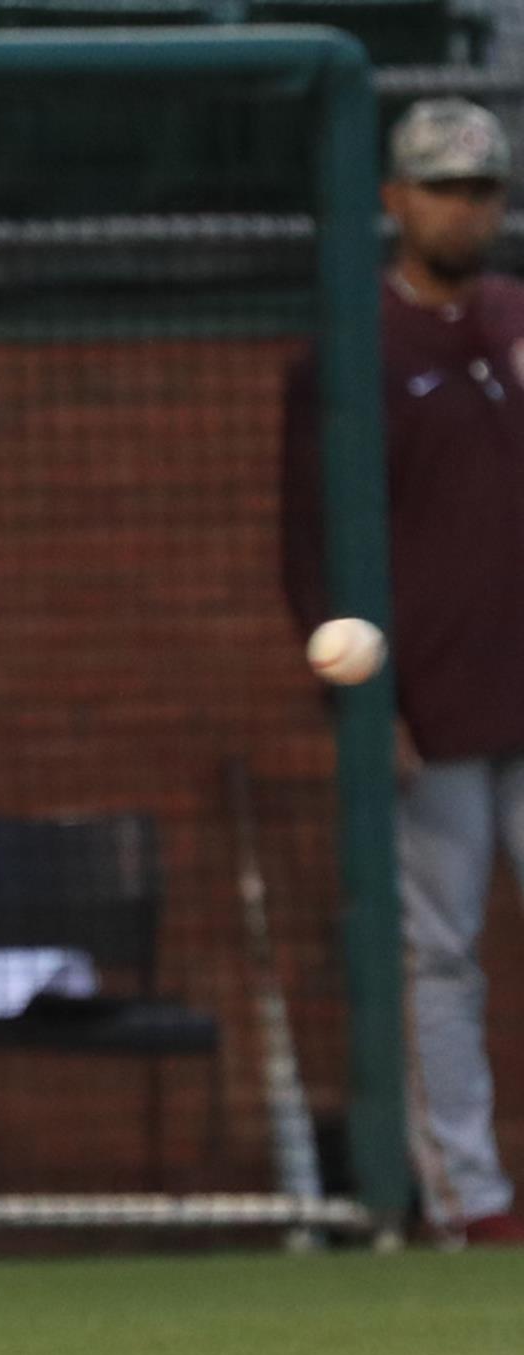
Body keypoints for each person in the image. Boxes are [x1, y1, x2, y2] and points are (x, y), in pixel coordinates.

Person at [281, 99, 524, 1250]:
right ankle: (469, 1195)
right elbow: (309, 542)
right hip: (428, 703)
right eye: (443, 188)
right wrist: (363, 706)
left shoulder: (519, 321)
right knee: (439, 955)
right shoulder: (353, 346)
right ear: (394, 198)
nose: (464, 209)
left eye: (481, 189)